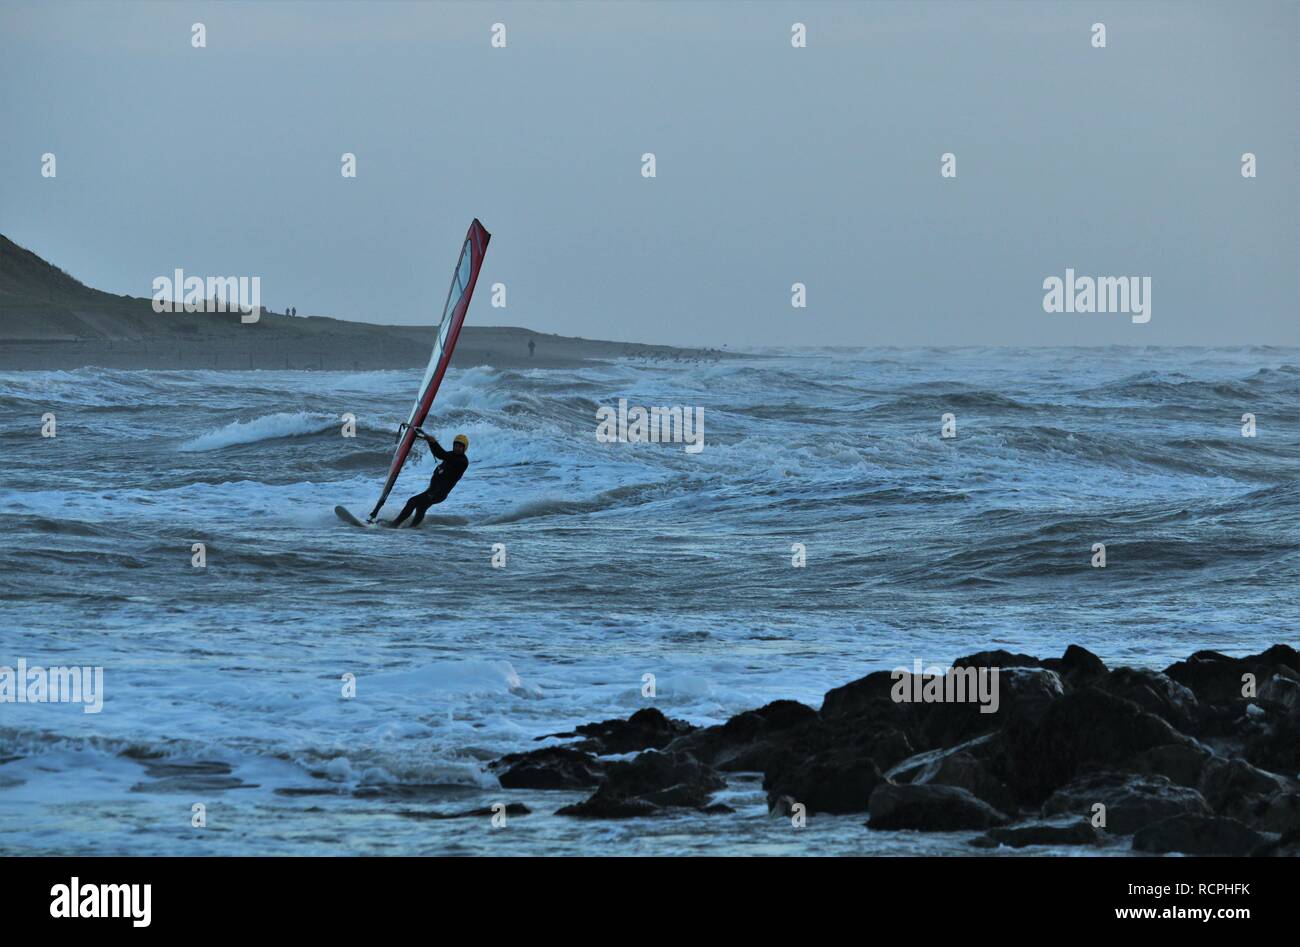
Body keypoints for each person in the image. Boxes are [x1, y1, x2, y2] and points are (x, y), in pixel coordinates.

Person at [390, 431, 470, 527]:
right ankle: (413, 528)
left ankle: (395, 524)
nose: (457, 448)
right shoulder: (452, 455)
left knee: (413, 501)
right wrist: (430, 441)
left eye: (460, 446)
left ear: (464, 448)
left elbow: (441, 454)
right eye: (456, 445)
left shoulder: (462, 461)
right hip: (433, 490)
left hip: (438, 493)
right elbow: (439, 453)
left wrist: (433, 442)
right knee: (421, 507)